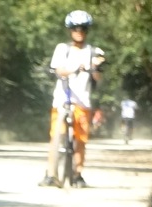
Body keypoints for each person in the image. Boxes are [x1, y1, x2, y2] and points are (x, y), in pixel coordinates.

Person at [41, 9, 104, 188]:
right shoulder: (63, 49)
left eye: (83, 28)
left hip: (83, 100)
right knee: (56, 135)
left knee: (81, 139)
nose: (79, 31)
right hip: (62, 98)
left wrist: (96, 67)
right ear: (70, 29)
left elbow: (98, 78)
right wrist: (75, 68)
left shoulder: (94, 51)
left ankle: (77, 174)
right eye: (75, 28)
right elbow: (58, 70)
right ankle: (51, 174)